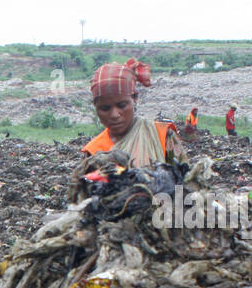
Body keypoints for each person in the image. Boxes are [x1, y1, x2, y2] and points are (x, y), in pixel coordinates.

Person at [71, 59, 189, 200]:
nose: (115, 115)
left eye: (121, 105)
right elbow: (88, 199)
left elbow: (188, 182)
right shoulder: (94, 151)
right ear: (96, 109)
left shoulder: (162, 135)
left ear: (134, 99)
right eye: (105, 108)